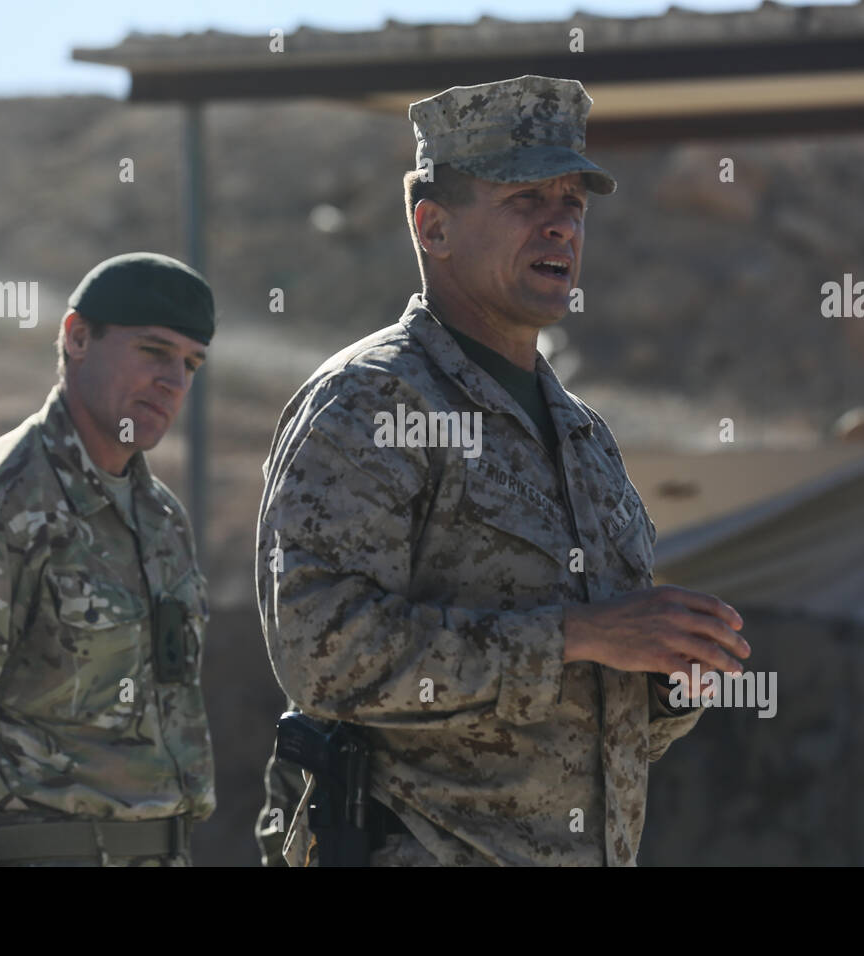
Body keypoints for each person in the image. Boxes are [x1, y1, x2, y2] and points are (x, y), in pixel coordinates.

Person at [256, 76, 750, 867]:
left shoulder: (584, 436)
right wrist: (577, 635)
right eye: (526, 200)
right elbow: (322, 653)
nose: (561, 226)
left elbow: (601, 700)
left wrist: (669, 679)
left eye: (574, 203)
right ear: (434, 227)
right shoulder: (373, 402)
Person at [0, 252, 218, 866]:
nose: (174, 381)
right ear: (78, 337)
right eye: (154, 351)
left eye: (190, 363)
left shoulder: (161, 519)